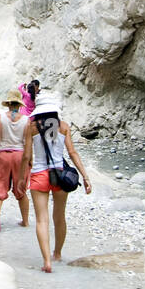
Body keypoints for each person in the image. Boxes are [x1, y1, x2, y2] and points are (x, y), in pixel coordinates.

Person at [22, 90, 92, 271]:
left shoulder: (31, 128)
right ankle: (58, 253)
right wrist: (85, 176)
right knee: (59, 217)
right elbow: (73, 153)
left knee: (41, 220)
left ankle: (46, 262)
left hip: (39, 175)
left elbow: (27, 157)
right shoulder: (63, 126)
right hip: (59, 175)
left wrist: (22, 178)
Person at [0, 89, 30, 232]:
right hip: (19, 156)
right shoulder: (26, 120)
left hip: (3, 156)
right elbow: (27, 143)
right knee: (21, 191)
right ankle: (25, 221)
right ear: (19, 105)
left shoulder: (1, 118)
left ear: (8, 104)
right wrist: (29, 160)